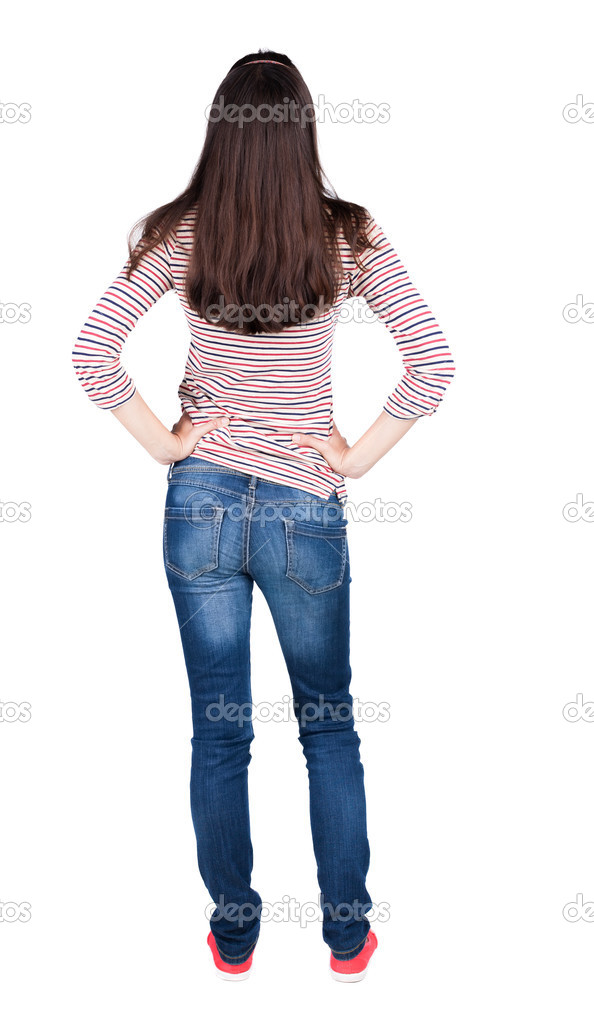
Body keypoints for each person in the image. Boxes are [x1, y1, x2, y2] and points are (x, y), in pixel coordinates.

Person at [71, 48, 455, 982]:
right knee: (328, 722)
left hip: (198, 503)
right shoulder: (345, 235)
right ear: (304, 135)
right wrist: (355, 457)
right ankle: (346, 935)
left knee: (219, 726)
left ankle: (234, 935)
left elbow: (93, 353)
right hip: (305, 508)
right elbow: (433, 361)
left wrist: (168, 443)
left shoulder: (184, 232)